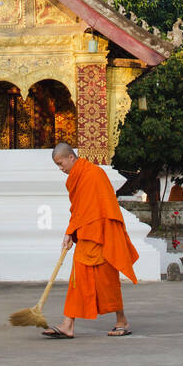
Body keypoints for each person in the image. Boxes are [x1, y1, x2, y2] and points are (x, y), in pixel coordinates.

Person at [43, 143, 139, 339]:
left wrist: (71, 230)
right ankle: (68, 323)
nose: (61, 169)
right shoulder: (76, 178)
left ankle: (122, 320)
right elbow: (79, 209)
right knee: (77, 280)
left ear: (71, 157)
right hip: (86, 235)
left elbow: (99, 206)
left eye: (61, 164)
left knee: (107, 282)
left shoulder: (93, 174)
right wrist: (70, 232)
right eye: (57, 166)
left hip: (101, 235)